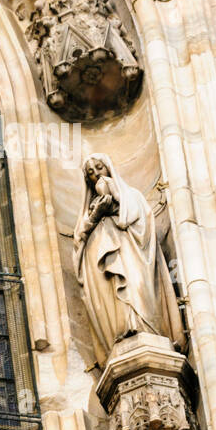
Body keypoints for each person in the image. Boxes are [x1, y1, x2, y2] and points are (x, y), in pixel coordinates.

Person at [73, 153, 183, 366]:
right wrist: (95, 217)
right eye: (91, 173)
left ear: (109, 168)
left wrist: (114, 203)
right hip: (105, 269)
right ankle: (122, 330)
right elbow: (79, 241)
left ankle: (147, 329)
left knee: (137, 288)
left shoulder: (131, 195)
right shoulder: (87, 212)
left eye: (99, 168)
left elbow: (141, 222)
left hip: (131, 256)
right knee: (117, 302)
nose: (96, 174)